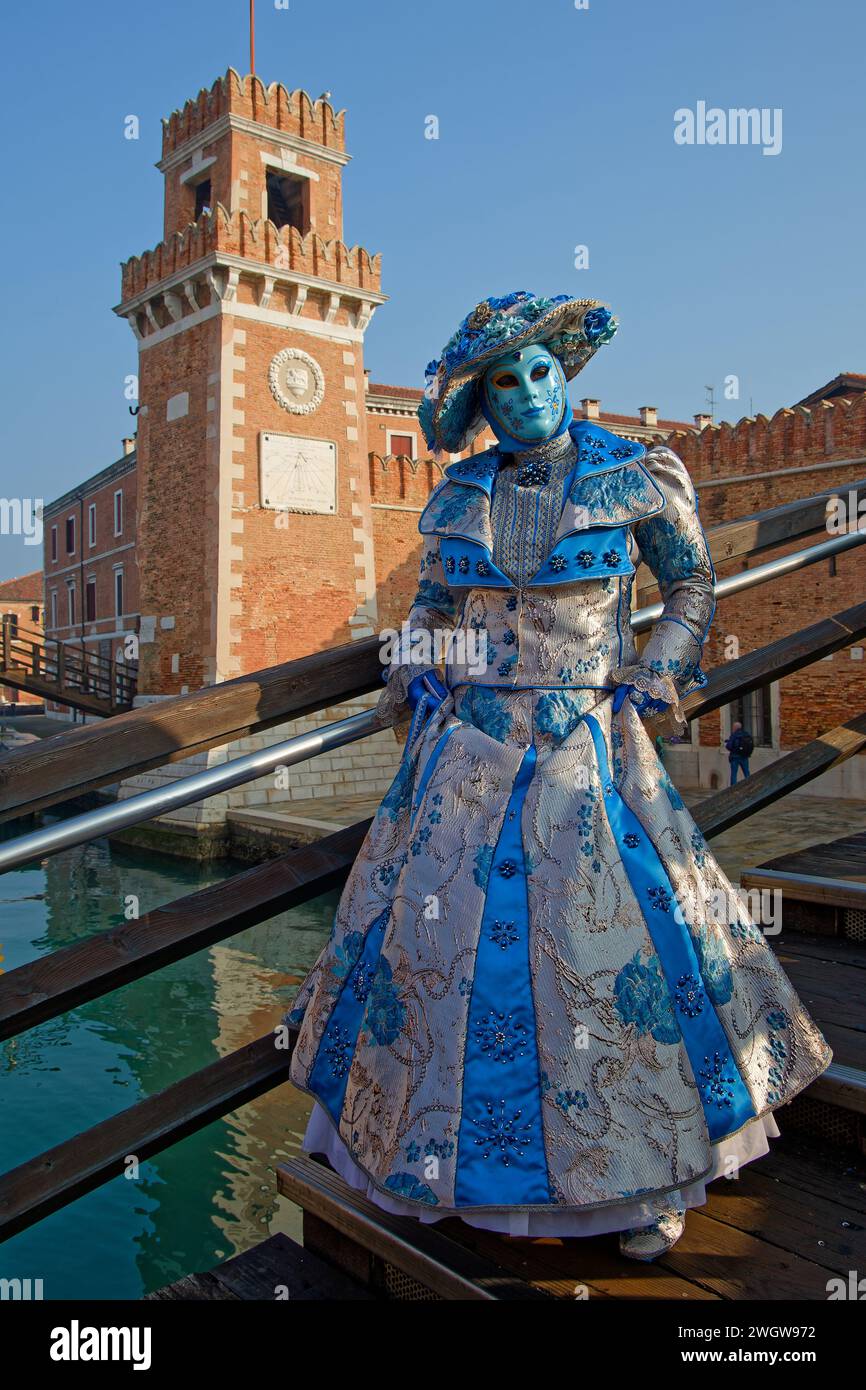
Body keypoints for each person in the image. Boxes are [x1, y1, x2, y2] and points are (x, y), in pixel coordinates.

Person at [285, 291, 831, 1262]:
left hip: (588, 745)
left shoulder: (634, 475)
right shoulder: (456, 499)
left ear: (564, 377)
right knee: (443, 969)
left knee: (612, 966)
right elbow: (433, 607)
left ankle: (647, 1175)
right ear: (482, 401)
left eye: (543, 372)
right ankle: (438, 1164)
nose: (531, 393)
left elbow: (689, 585)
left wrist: (660, 664)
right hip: (469, 754)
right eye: (507, 379)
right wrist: (414, 663)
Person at [726, 720, 753, 784]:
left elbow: (729, 746)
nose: (732, 728)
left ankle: (733, 788)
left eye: (733, 727)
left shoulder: (734, 735)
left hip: (735, 757)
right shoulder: (746, 734)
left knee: (734, 774)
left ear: (735, 728)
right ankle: (750, 785)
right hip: (744, 756)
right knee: (746, 773)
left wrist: (727, 744)